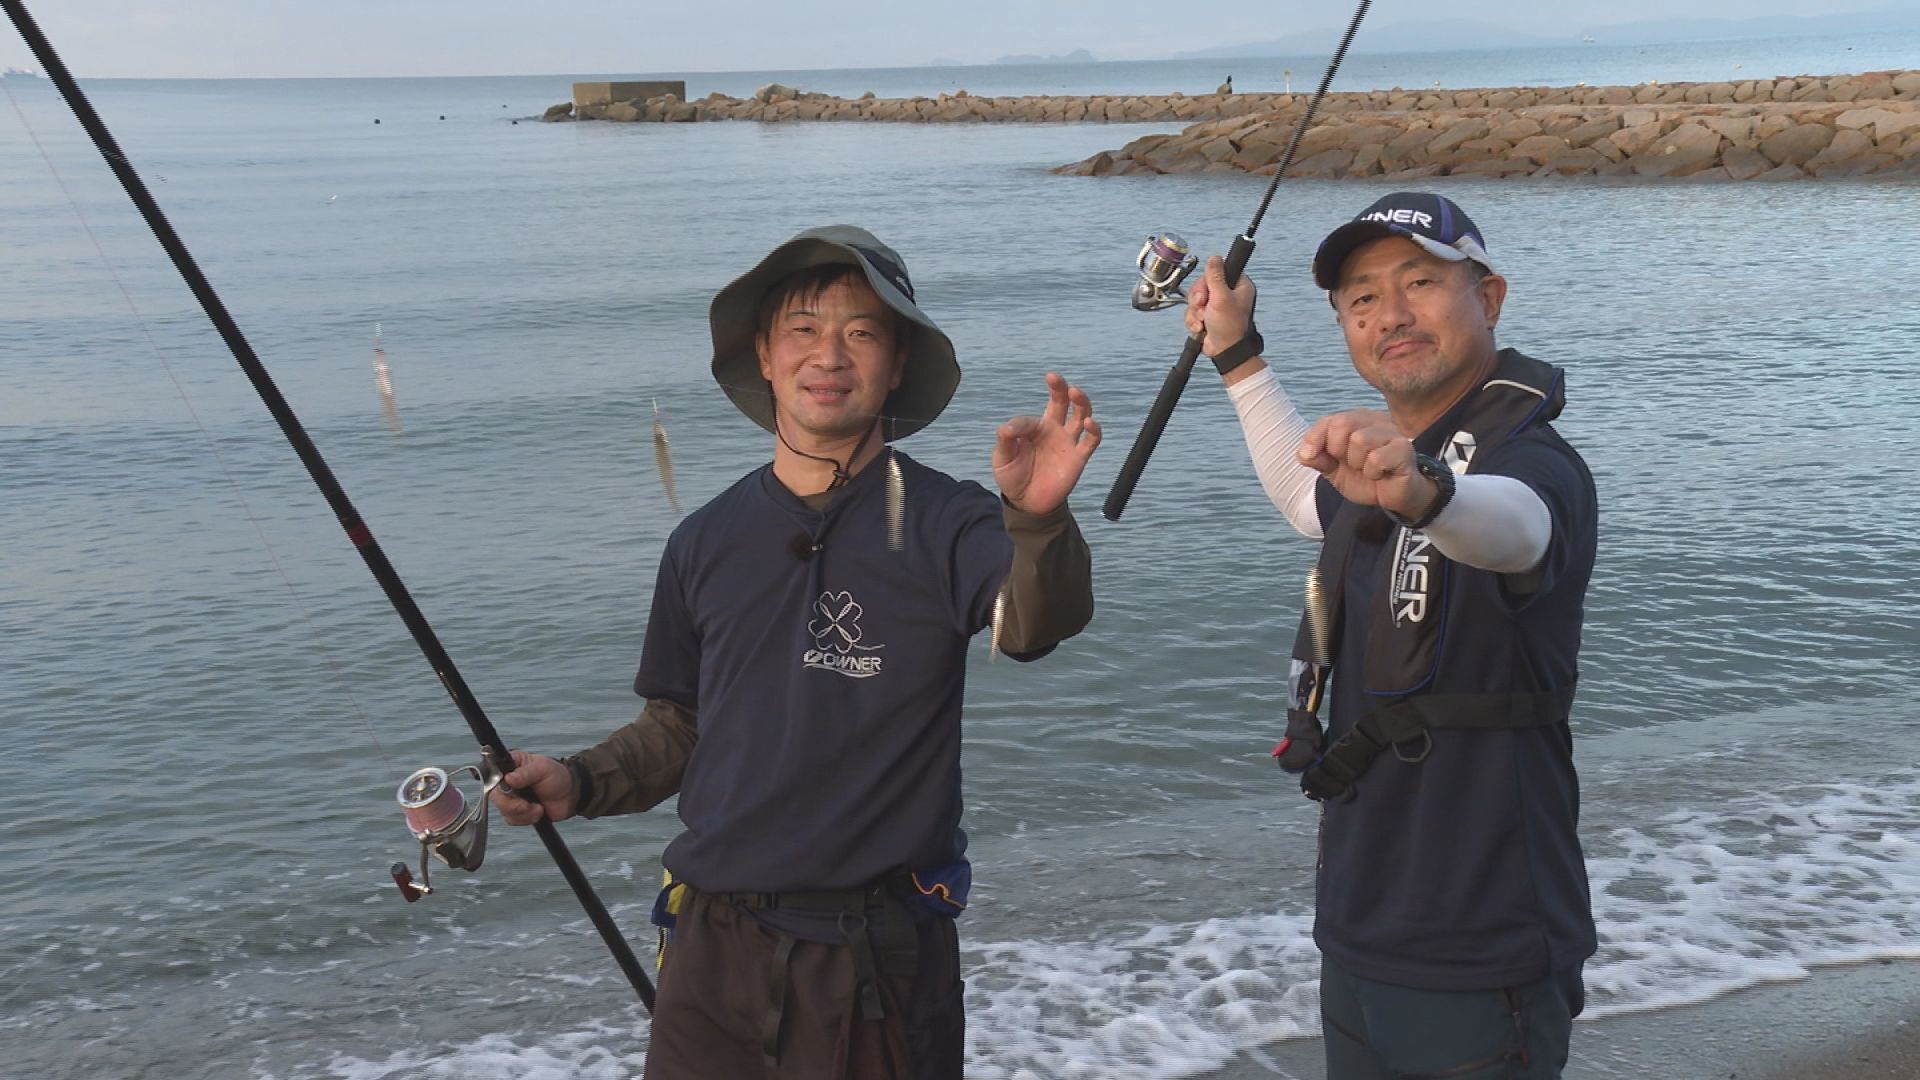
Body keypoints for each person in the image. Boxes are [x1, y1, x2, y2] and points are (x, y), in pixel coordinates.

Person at [489, 225, 1101, 1080]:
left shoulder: (950, 521)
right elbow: (682, 724)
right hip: (709, 950)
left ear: (897, 364)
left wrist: (1035, 518)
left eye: (862, 332)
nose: (830, 354)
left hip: (874, 959)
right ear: (765, 357)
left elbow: (1035, 625)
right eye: (803, 329)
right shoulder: (704, 540)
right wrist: (578, 779)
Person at [1183, 192, 1598, 1078]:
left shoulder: (1532, 468)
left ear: (1489, 298)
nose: (1391, 313)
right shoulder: (1387, 464)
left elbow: (1517, 529)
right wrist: (1236, 352)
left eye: (1420, 281)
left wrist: (1427, 495)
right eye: (1362, 298)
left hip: (1483, 947)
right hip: (1361, 933)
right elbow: (1305, 499)